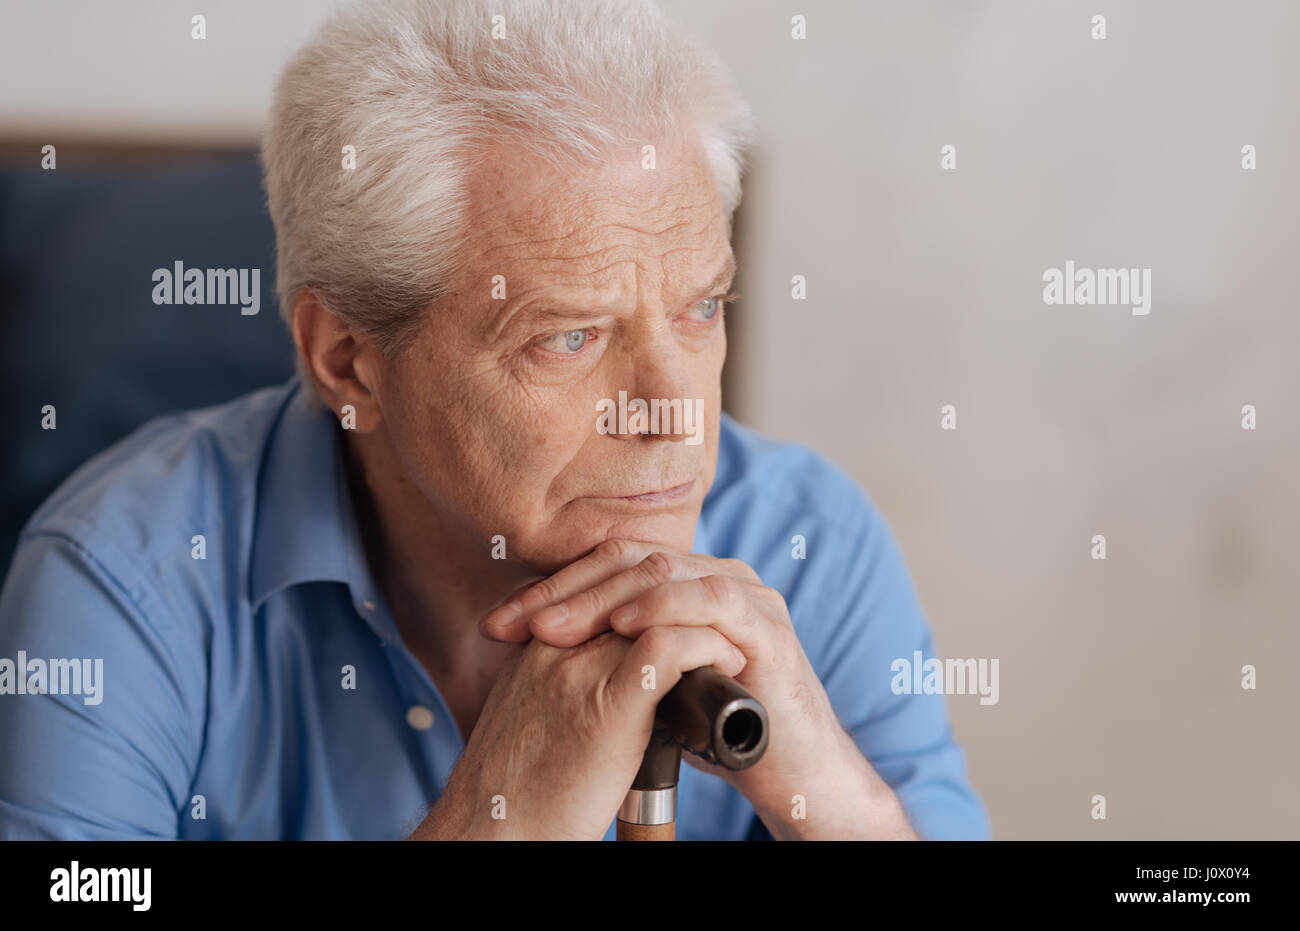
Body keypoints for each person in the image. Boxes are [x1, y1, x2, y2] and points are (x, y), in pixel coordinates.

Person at [0, 0, 989, 840]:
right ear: (349, 360)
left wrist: (820, 781)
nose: (677, 409)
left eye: (699, 310)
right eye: (566, 338)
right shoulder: (120, 583)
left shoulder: (812, 538)